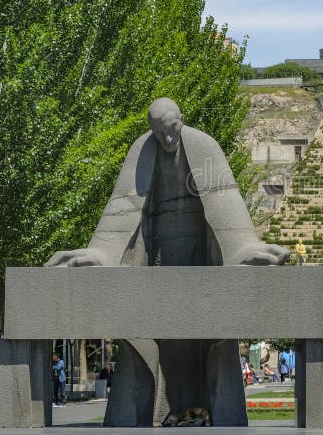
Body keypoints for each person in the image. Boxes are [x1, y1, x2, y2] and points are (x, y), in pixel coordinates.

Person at [45, 99, 289, 427]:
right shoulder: (141, 150)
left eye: (172, 130)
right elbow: (121, 209)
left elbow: (226, 201)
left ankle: (212, 411)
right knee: (141, 342)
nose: (168, 139)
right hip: (156, 258)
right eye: (160, 134)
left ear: (182, 120)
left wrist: (245, 248)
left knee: (214, 341)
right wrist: (100, 253)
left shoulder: (204, 146)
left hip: (201, 259)